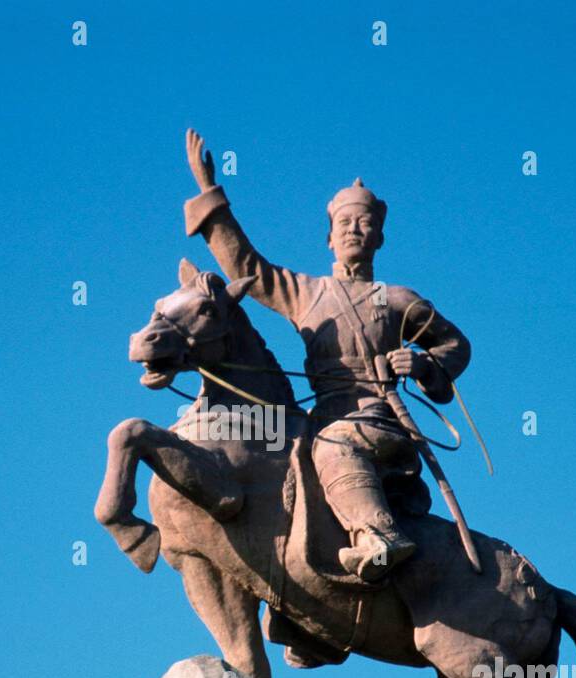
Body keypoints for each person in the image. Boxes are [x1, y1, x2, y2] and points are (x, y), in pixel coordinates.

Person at [183, 130, 471, 581]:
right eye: (345, 224)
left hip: (376, 421)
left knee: (335, 445)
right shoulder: (307, 293)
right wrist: (208, 194)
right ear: (329, 238)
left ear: (379, 236)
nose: (355, 230)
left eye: (364, 223)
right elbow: (248, 269)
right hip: (319, 416)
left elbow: (455, 344)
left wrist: (422, 365)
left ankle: (380, 536)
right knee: (273, 466)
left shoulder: (395, 299)